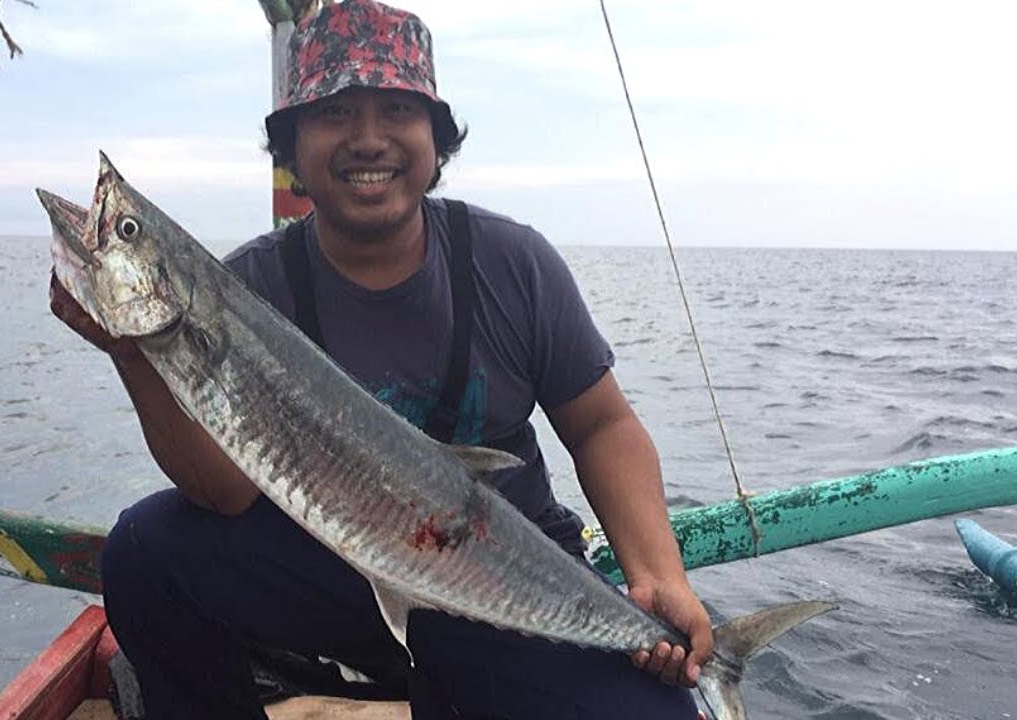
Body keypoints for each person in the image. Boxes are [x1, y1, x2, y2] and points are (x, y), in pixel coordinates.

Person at [50, 1, 713, 717]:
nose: (368, 140)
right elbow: (228, 495)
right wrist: (131, 351)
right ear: (293, 145)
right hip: (335, 577)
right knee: (145, 552)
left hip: (504, 577)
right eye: (334, 113)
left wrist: (658, 573)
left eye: (397, 109)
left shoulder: (514, 262)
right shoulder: (251, 288)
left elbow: (601, 426)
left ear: (436, 138)